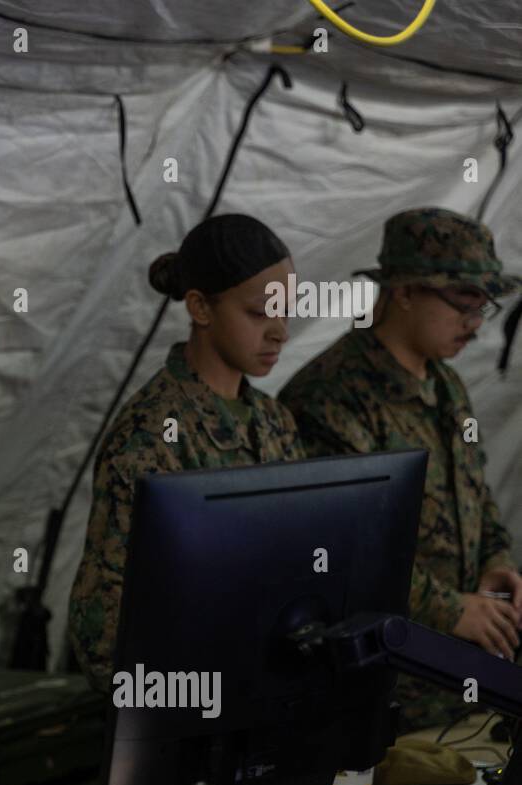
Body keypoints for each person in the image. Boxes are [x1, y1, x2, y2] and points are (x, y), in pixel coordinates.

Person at [279, 207, 522, 732]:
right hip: (387, 701)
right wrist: (451, 610)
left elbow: (476, 493)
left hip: (466, 686)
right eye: (463, 302)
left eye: (485, 305)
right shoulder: (331, 397)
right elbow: (335, 551)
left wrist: (497, 562)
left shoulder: (446, 386)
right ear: (404, 291)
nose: (476, 325)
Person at [67, 214, 304, 686]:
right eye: (259, 313)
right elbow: (101, 632)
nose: (279, 332)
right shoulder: (150, 437)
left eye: (285, 311)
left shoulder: (276, 423)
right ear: (200, 307)